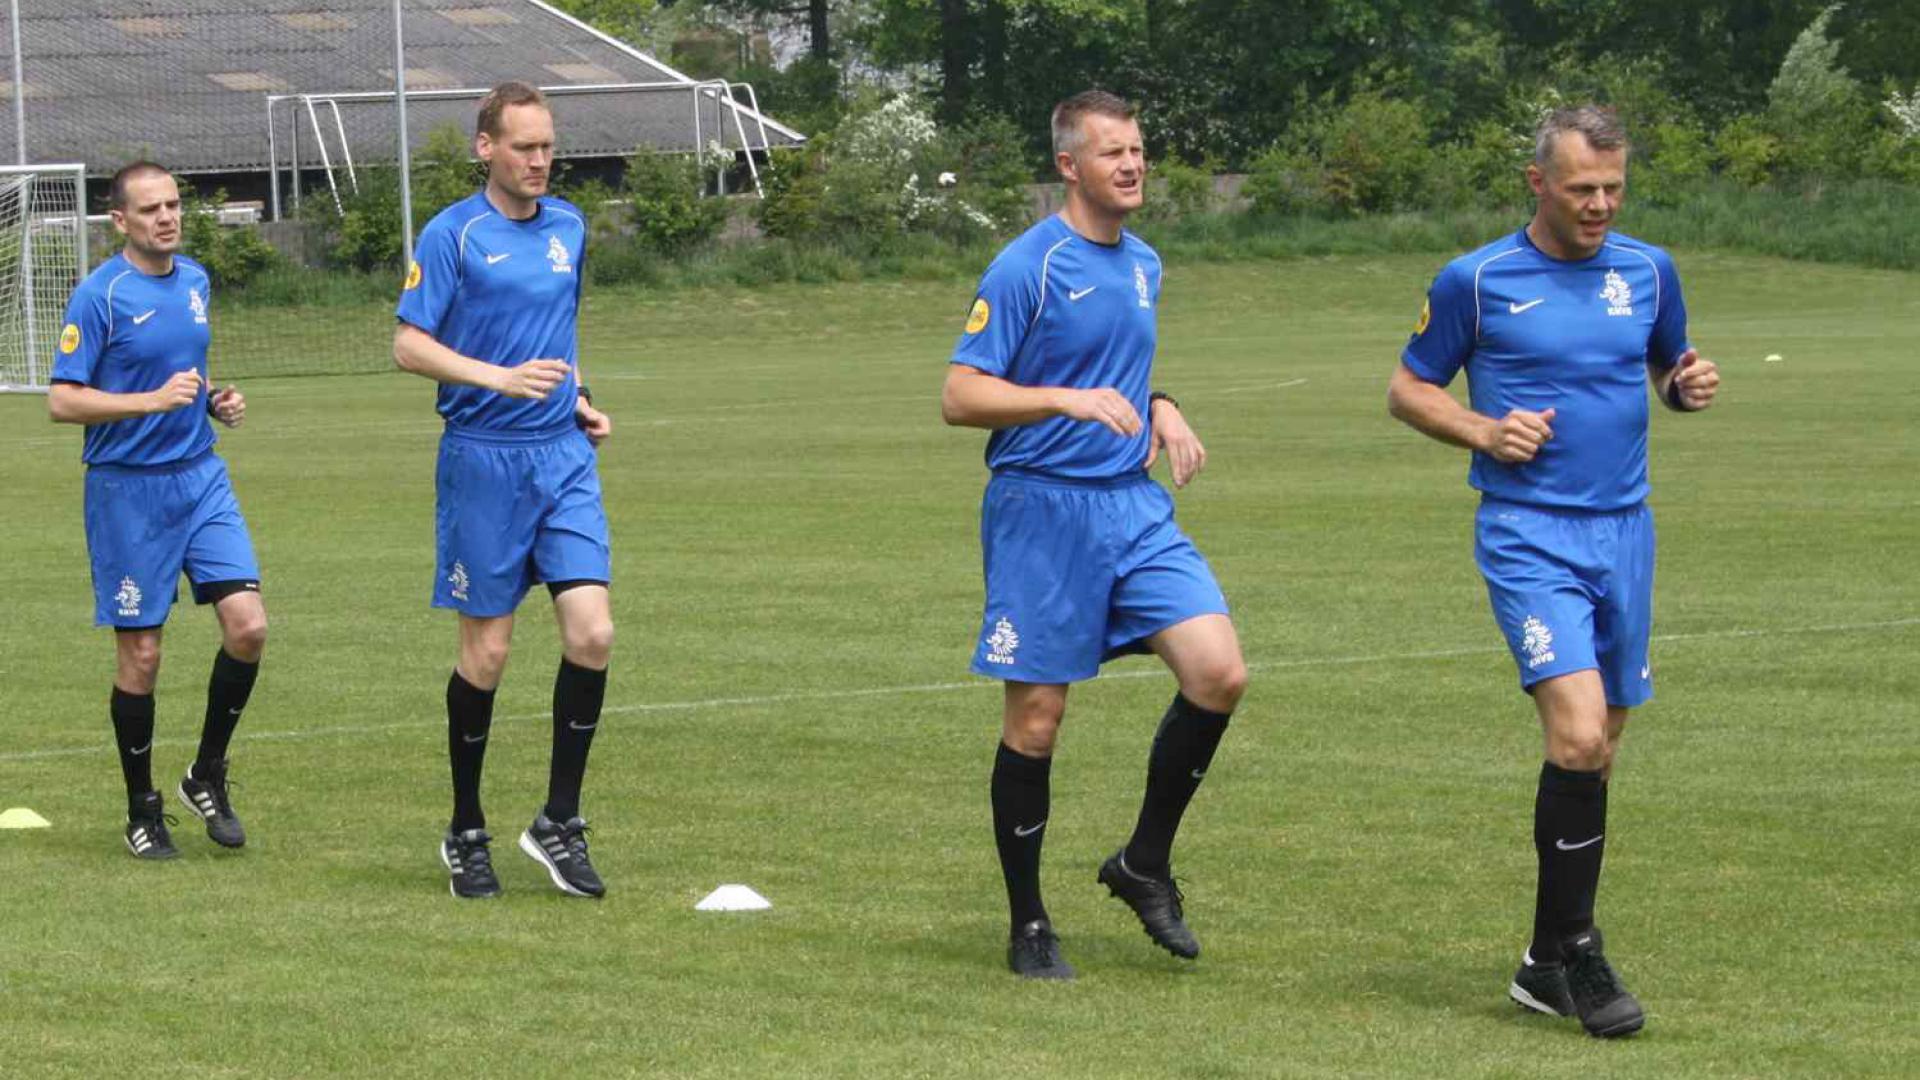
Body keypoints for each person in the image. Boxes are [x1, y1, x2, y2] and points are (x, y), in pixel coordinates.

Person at [1387, 105, 1721, 1038]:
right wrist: (1484, 430)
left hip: (1628, 533)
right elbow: (1407, 387)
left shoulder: (1649, 271)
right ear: (1538, 183)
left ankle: (1541, 962)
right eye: (1582, 189)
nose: (1601, 205)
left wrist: (1683, 388)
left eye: (1613, 188)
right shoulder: (1478, 281)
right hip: (1530, 534)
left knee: (1599, 749)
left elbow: (1665, 366)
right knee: (1577, 737)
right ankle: (1579, 952)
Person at [942, 90, 1250, 980]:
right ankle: (1029, 923)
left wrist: (1162, 403)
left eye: (1139, 149)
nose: (1132, 164)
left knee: (1219, 672)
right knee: (1037, 718)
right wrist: (1061, 400)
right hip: (1041, 508)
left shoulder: (1146, 262)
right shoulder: (1025, 266)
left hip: (1133, 505)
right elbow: (961, 395)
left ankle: (1142, 863)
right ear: (1070, 167)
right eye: (1112, 152)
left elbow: (1119, 368)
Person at [394, 81, 615, 900]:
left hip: (560, 457)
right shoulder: (454, 235)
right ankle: (466, 828)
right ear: (485, 147)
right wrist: (499, 379)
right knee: (486, 652)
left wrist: (579, 396)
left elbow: (561, 330)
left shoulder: (570, 227)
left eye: (548, 146)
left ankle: (559, 820)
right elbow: (409, 345)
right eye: (524, 146)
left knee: (591, 633)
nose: (540, 161)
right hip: (483, 460)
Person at [49, 161, 266, 859]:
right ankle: (142, 808)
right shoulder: (99, 296)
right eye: (150, 209)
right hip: (126, 491)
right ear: (120, 221)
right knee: (141, 655)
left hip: (200, 476)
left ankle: (206, 772)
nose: (167, 217)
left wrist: (212, 401)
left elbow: (185, 373)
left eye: (174, 205)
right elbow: (64, 400)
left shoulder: (197, 280)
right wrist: (151, 402)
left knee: (249, 627)